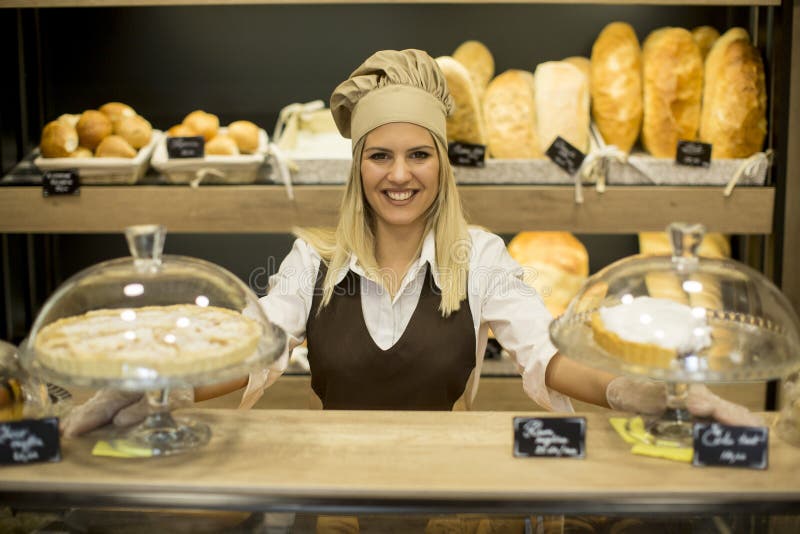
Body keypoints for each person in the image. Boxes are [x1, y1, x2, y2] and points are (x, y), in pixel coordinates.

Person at [62, 49, 760, 434]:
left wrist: (630, 391)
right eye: (380, 156)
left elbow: (544, 356)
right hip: (333, 494)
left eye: (419, 156)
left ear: (443, 165)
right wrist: (166, 393)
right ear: (356, 166)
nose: (399, 176)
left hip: (446, 490)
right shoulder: (316, 260)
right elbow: (257, 351)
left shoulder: (479, 256)